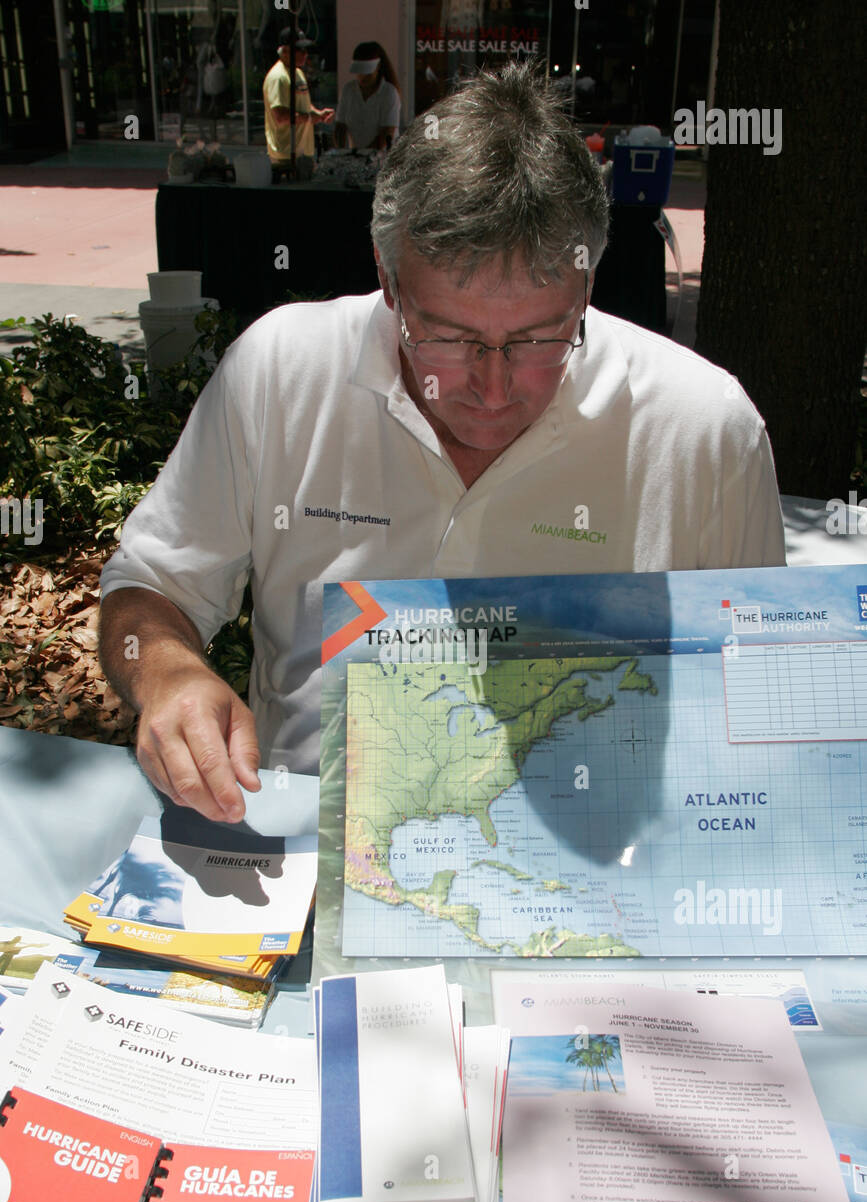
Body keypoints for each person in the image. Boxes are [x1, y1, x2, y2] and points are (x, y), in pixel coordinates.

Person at [100, 64, 785, 824]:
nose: (491, 389)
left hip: (601, 868)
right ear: (387, 281)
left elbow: (759, 699)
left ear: (587, 290)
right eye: (449, 338)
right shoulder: (280, 370)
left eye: (537, 337)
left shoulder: (704, 429)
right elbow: (151, 582)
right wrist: (165, 674)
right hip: (304, 857)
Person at [263, 26, 333, 180]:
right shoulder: (278, 77)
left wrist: (318, 114)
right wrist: (308, 118)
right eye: (300, 50)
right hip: (286, 156)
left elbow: (304, 105)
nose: (305, 54)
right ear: (285, 51)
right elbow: (280, 117)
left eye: (306, 50)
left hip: (303, 153)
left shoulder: (298, 72)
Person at [334, 41, 401, 151]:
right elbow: (340, 127)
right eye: (360, 73)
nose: (363, 77)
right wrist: (341, 151)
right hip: (356, 158)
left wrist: (364, 155)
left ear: (378, 66)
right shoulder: (348, 90)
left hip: (383, 160)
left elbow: (387, 132)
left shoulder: (389, 93)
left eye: (368, 74)